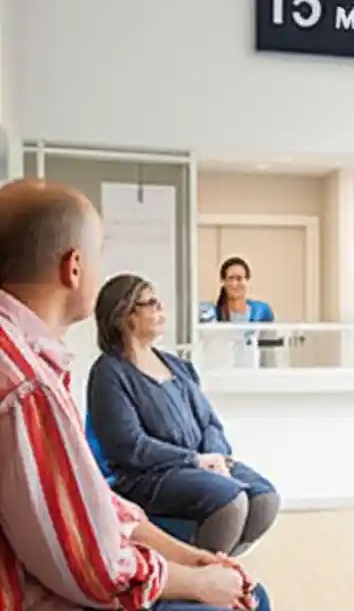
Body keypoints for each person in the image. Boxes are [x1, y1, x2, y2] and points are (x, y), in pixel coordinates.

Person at [0, 179, 269, 610]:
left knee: (258, 500)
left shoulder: (34, 362)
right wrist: (192, 582)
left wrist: (185, 558)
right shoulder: (33, 385)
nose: (158, 310)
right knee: (249, 589)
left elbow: (88, 501)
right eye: (99, 254)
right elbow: (96, 568)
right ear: (74, 267)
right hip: (53, 585)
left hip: (100, 547)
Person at [88, 273, 280, 556]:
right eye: (149, 303)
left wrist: (217, 460)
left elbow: (210, 423)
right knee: (230, 501)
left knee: (264, 499)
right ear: (122, 315)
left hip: (200, 465)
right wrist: (194, 460)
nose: (160, 308)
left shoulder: (178, 366)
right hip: (148, 475)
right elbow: (130, 446)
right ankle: (197, 580)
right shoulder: (109, 373)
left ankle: (217, 568)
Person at [201, 257, 274, 323]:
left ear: (247, 280)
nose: (234, 284)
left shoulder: (261, 311)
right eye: (230, 278)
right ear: (223, 281)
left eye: (239, 278)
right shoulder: (211, 313)